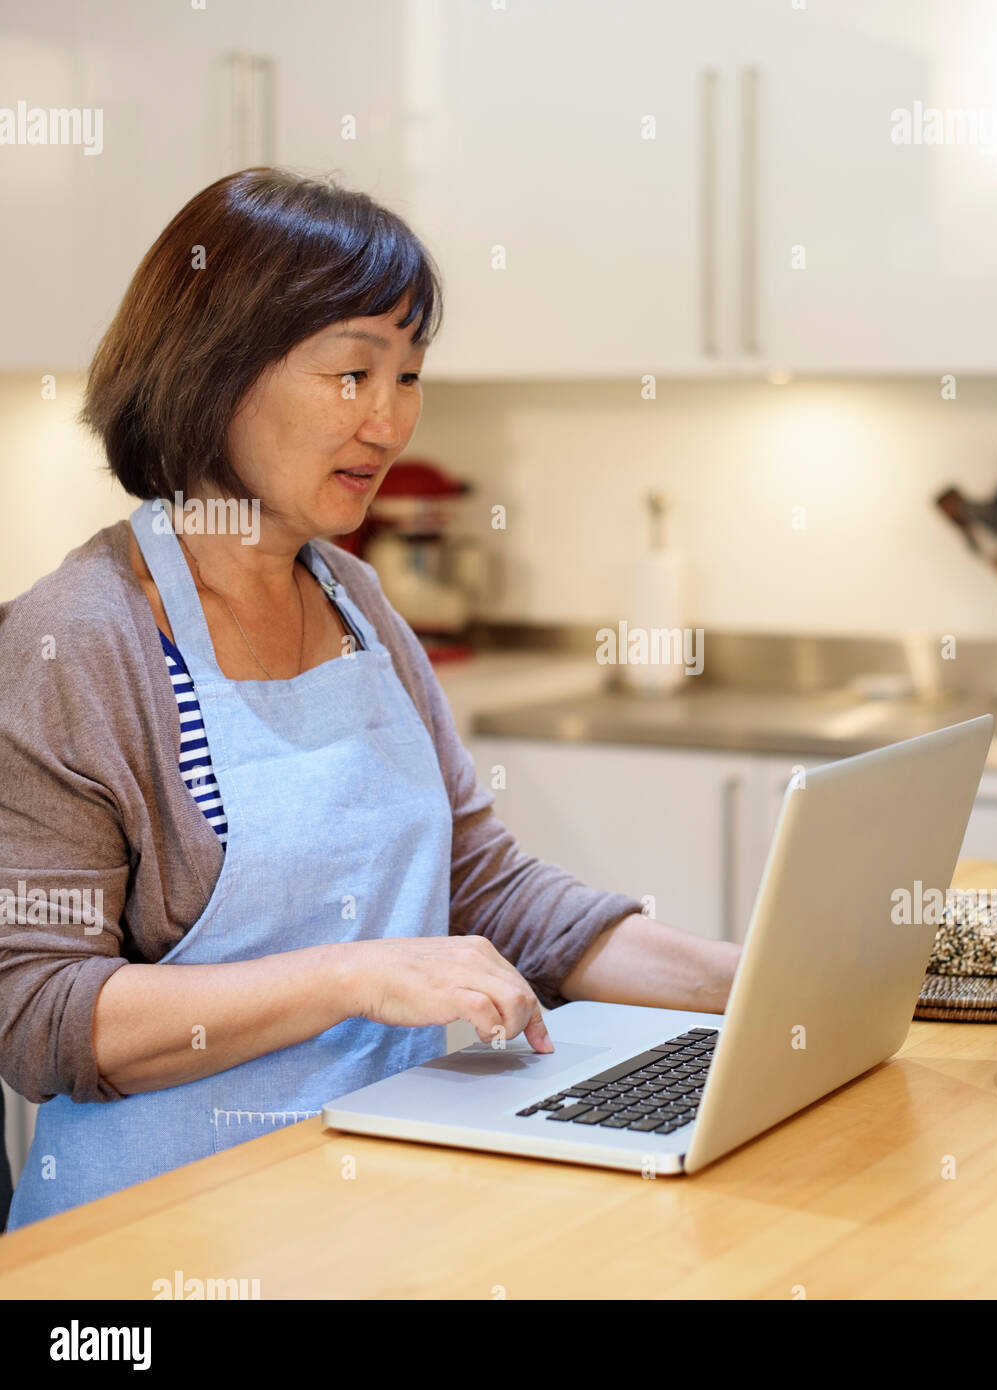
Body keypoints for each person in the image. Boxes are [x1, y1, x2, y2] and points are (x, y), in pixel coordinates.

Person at [0, 169, 741, 1229]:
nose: (389, 423)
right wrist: (353, 974)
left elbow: (486, 892)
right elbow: (37, 1014)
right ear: (218, 371)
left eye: (410, 376)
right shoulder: (78, 641)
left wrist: (754, 985)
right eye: (354, 373)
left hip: (369, 1205)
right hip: (151, 1238)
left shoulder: (352, 597)